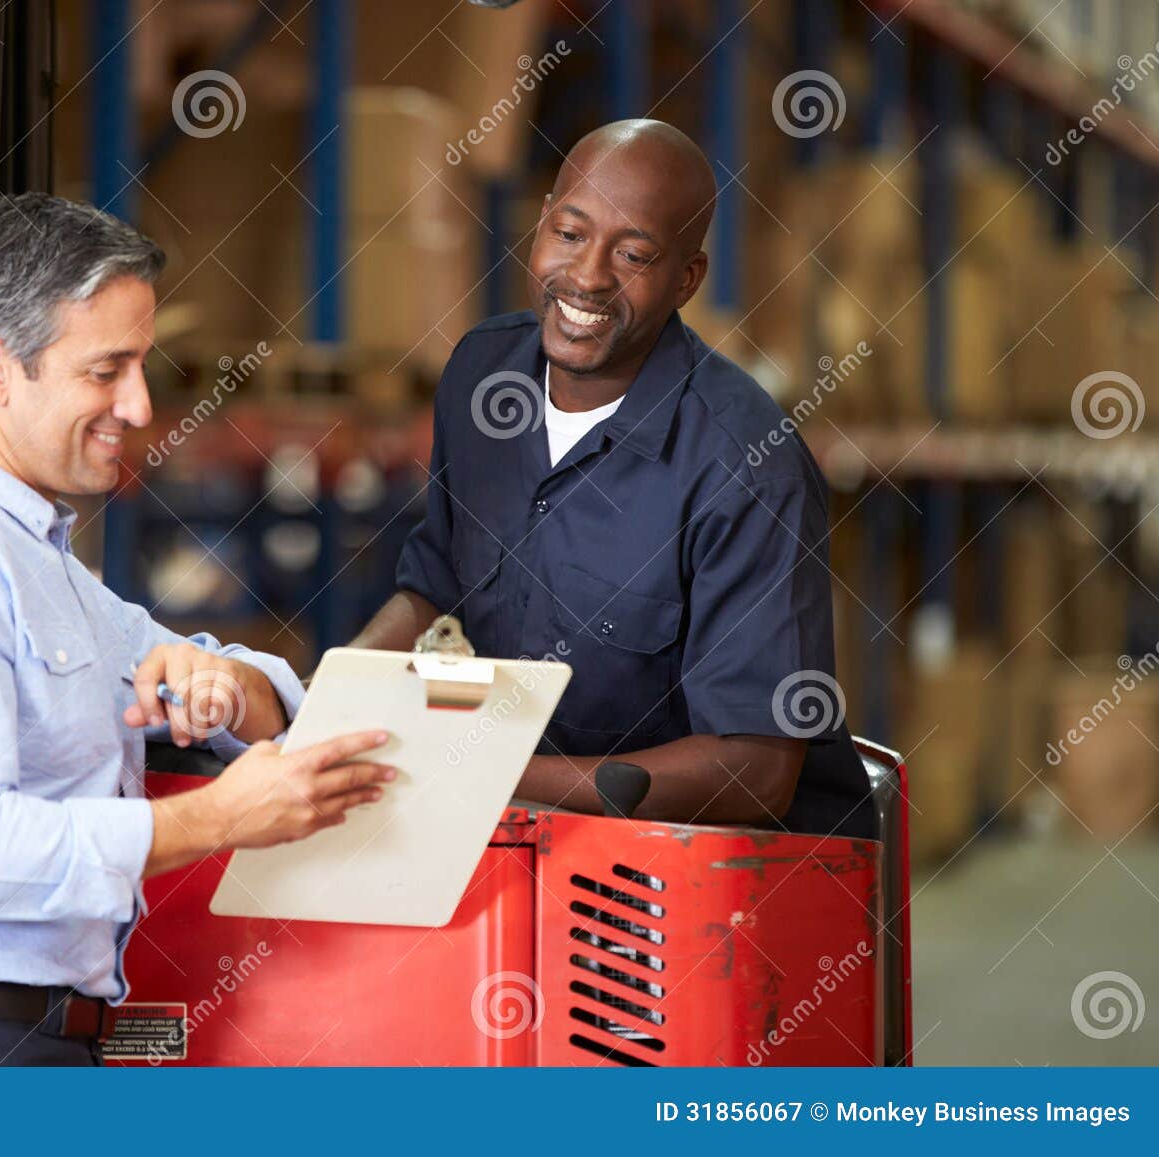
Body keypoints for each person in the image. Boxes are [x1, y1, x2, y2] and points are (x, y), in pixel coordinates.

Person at [0, 193, 395, 1066]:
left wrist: (221, 687)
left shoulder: (41, 562)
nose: (138, 406)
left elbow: (246, 687)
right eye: (107, 370)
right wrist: (218, 816)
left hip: (24, 1043)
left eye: (141, 365)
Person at [354, 120, 873, 839]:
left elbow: (755, 770)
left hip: (729, 876)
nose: (589, 275)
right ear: (540, 226)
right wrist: (341, 695)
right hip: (541, 825)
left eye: (632, 254)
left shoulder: (746, 463)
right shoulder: (481, 377)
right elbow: (436, 581)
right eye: (570, 234)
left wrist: (481, 771)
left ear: (686, 279)